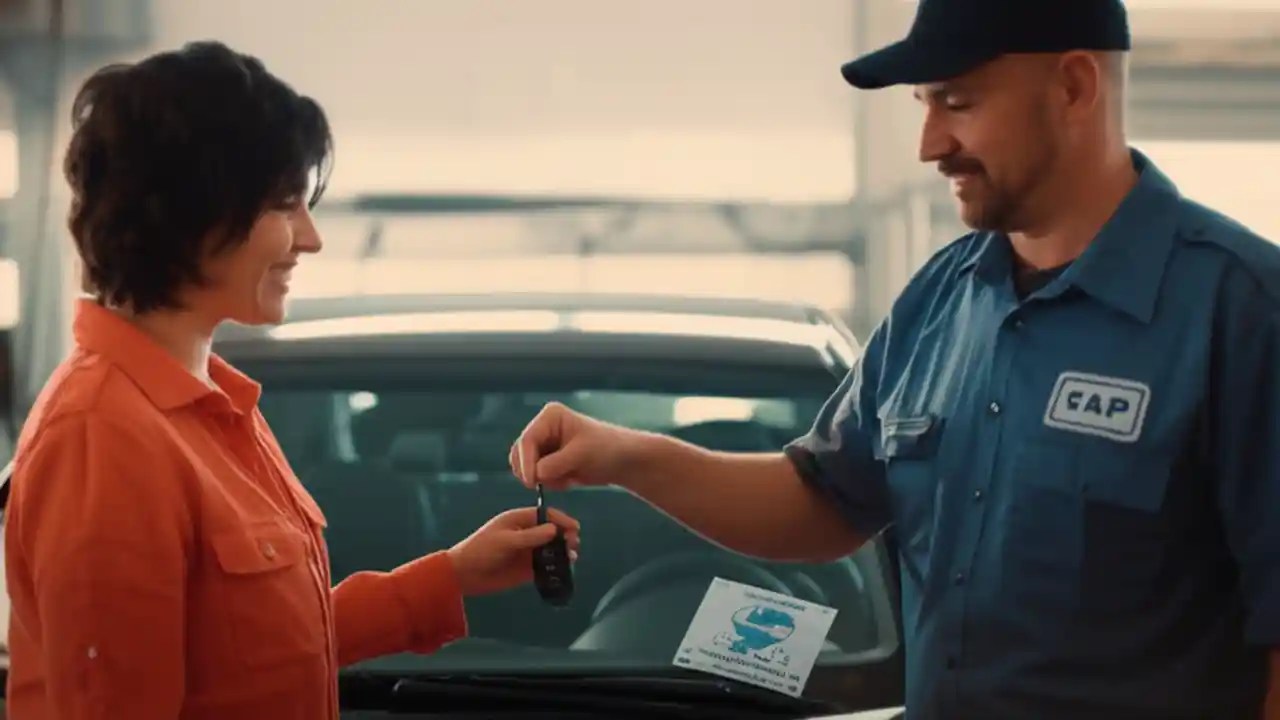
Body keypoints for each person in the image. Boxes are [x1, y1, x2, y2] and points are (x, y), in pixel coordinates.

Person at [510, 0, 1279, 718]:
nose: (929, 145)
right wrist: (625, 456)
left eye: (958, 101)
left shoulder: (1242, 315)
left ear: (1073, 87)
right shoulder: (940, 300)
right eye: (924, 107)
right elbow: (825, 503)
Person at [3, 41, 580, 720]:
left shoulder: (208, 410)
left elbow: (258, 654)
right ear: (194, 212)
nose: (310, 238)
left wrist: (450, 576)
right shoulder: (104, 437)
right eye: (284, 206)